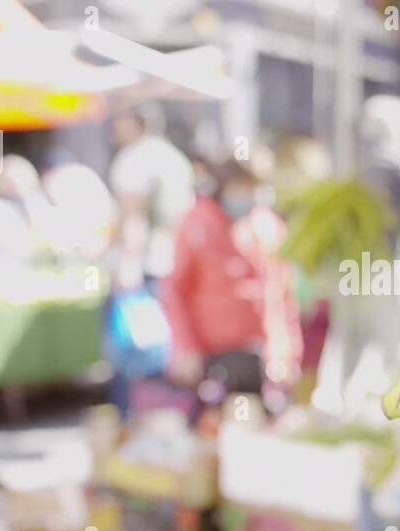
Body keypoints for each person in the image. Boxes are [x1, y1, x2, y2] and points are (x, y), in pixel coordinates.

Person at [159, 158, 302, 403]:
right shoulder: (197, 225)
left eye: (252, 188)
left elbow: (283, 296)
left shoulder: (267, 226)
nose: (247, 196)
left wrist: (286, 352)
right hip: (213, 358)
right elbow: (174, 293)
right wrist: (185, 347)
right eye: (240, 188)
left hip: (263, 356)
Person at [108, 104, 195, 289]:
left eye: (120, 119)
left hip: (148, 260)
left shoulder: (134, 158)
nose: (113, 125)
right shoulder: (173, 156)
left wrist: (130, 262)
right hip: (179, 256)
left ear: (136, 123)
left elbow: (134, 213)